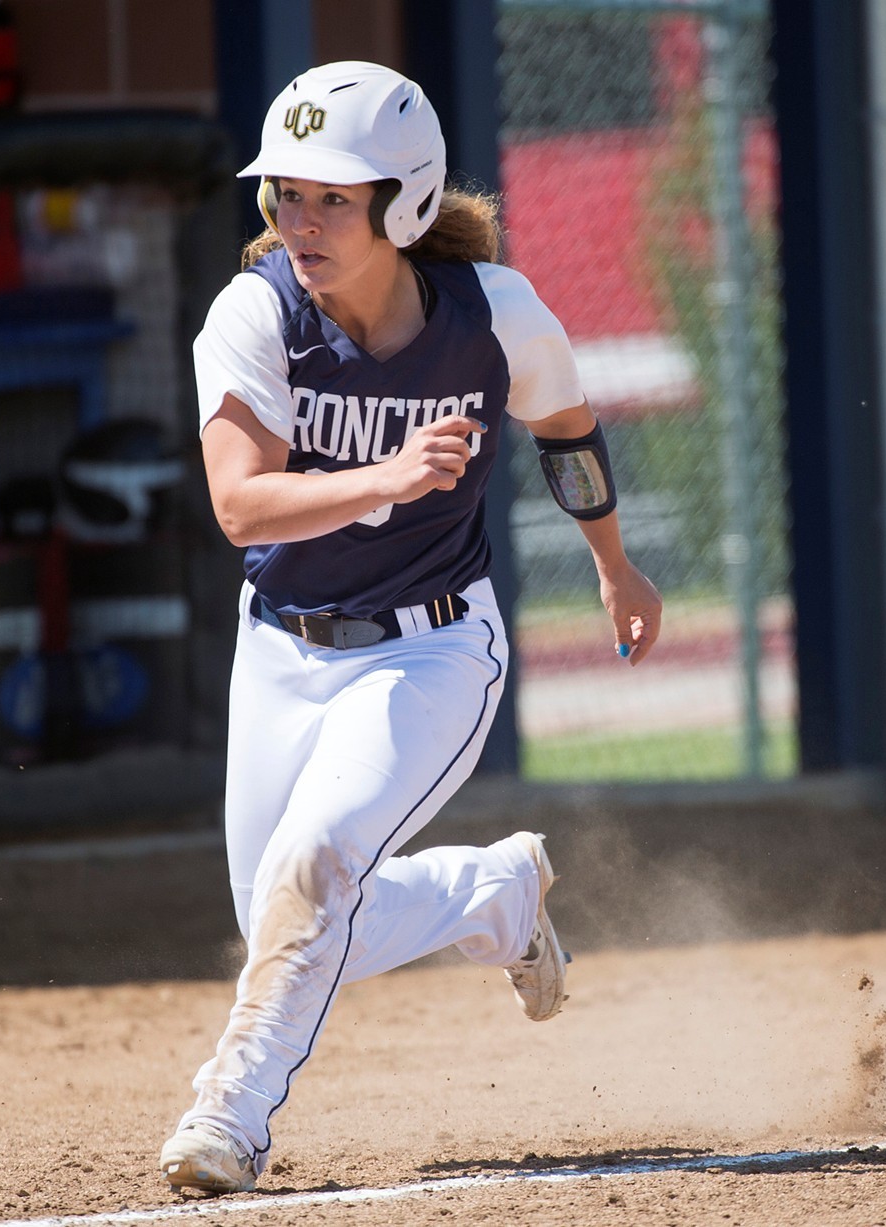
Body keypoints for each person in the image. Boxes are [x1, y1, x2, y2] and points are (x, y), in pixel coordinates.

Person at [157, 61, 663, 1195]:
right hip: (282, 644)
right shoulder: (257, 312)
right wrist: (384, 476)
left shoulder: (495, 314)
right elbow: (240, 505)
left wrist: (615, 565)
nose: (301, 220)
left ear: (409, 202)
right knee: (287, 917)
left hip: (433, 649)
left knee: (312, 873)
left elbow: (569, 429)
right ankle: (491, 896)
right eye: (285, 193)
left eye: (335, 197)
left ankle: (226, 1115)